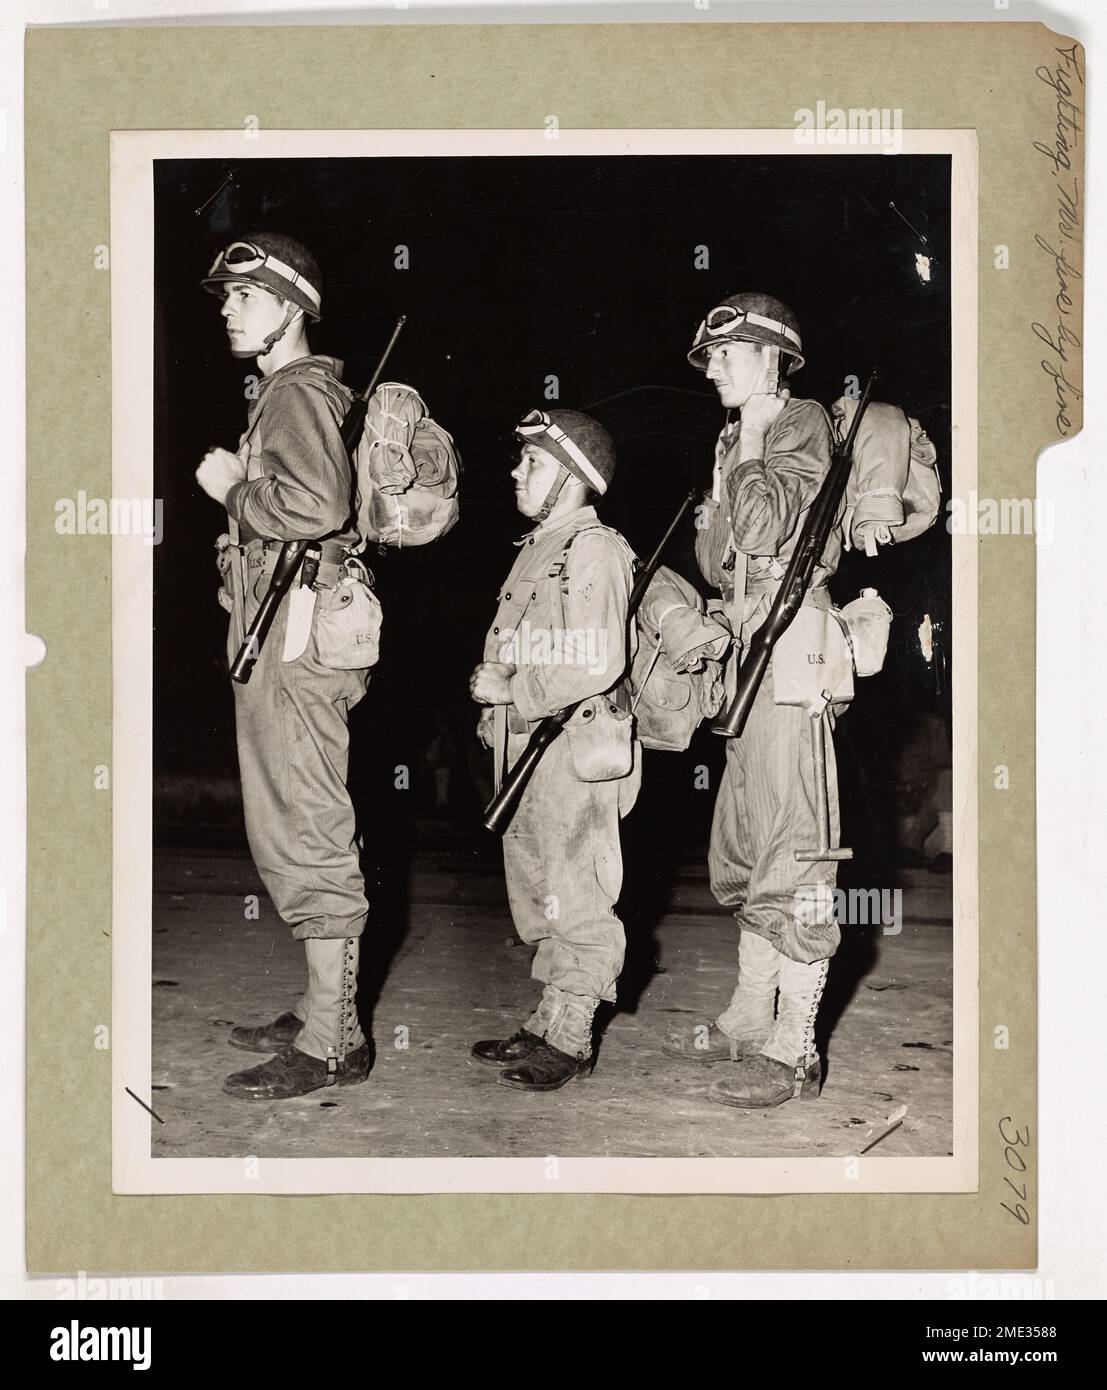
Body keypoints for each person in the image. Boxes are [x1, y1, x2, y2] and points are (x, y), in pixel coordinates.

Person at [194, 234, 377, 1100]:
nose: (227, 309)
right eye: (224, 297)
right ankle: (319, 1010)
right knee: (288, 822)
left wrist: (233, 489)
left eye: (243, 295)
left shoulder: (297, 391)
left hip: (298, 641)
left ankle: (333, 1040)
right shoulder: (285, 393)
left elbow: (315, 504)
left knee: (306, 828)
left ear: (291, 306)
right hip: (284, 635)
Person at [662, 292, 847, 1109]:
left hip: (792, 635)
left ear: (774, 356)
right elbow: (713, 556)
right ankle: (749, 1010)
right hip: (745, 638)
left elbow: (767, 528)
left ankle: (795, 1045)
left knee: (796, 841)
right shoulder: (735, 436)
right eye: (708, 356)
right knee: (741, 835)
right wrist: (734, 459)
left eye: (729, 352)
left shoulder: (800, 422)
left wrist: (747, 452)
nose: (713, 368)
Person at [468, 409, 640, 1091]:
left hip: (573, 747)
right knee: (539, 890)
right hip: (529, 747)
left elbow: (595, 658)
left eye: (532, 463)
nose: (516, 470)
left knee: (577, 893)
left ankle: (571, 1036)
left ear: (572, 477)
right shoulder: (541, 543)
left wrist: (513, 686)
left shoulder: (593, 548)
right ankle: (548, 1016)